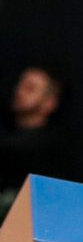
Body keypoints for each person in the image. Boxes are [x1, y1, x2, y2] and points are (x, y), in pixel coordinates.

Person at [0, 65, 68, 195]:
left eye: (30, 89)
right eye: (20, 84)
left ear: (50, 102)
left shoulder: (49, 147)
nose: (19, 92)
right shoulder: (8, 131)